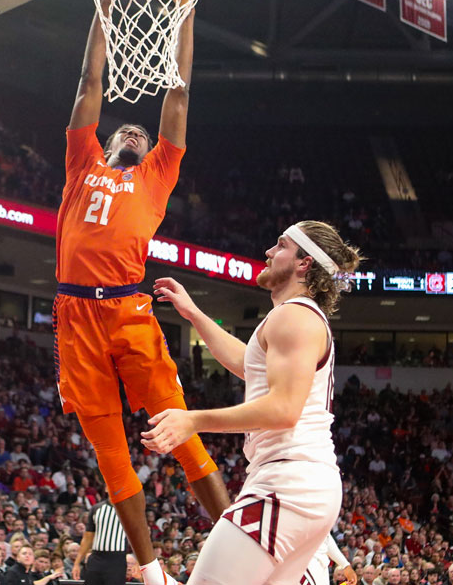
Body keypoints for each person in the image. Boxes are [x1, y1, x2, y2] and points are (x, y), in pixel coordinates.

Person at [56, 0, 228, 585]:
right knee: (111, 455)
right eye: (124, 131)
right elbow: (90, 82)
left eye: (143, 133)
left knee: (181, 433)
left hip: (129, 310)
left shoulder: (155, 176)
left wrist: (184, 9)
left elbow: (178, 92)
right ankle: (153, 573)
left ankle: (243, 547)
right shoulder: (82, 164)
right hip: (75, 315)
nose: (134, 132)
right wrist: (103, 7)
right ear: (104, 142)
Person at [141, 221, 363, 584]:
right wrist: (194, 314)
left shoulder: (294, 315)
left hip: (288, 484)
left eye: (281, 246)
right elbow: (249, 364)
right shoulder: (297, 316)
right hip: (303, 483)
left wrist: (193, 420)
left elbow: (283, 410)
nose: (269, 252)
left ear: (304, 263)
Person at [72, 500, 127, 585]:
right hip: (96, 558)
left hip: (117, 560)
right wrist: (77, 563)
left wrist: (139, 564)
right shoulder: (96, 508)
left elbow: (138, 536)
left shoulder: (129, 508)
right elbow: (87, 538)